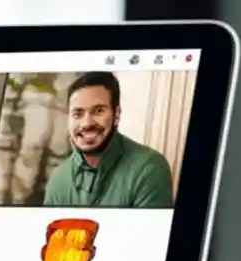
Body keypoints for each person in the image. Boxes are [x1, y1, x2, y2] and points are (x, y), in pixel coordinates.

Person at [43, 71, 174, 208]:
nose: (87, 123)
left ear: (116, 114)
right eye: (78, 114)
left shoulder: (148, 168)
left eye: (98, 111)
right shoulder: (58, 178)